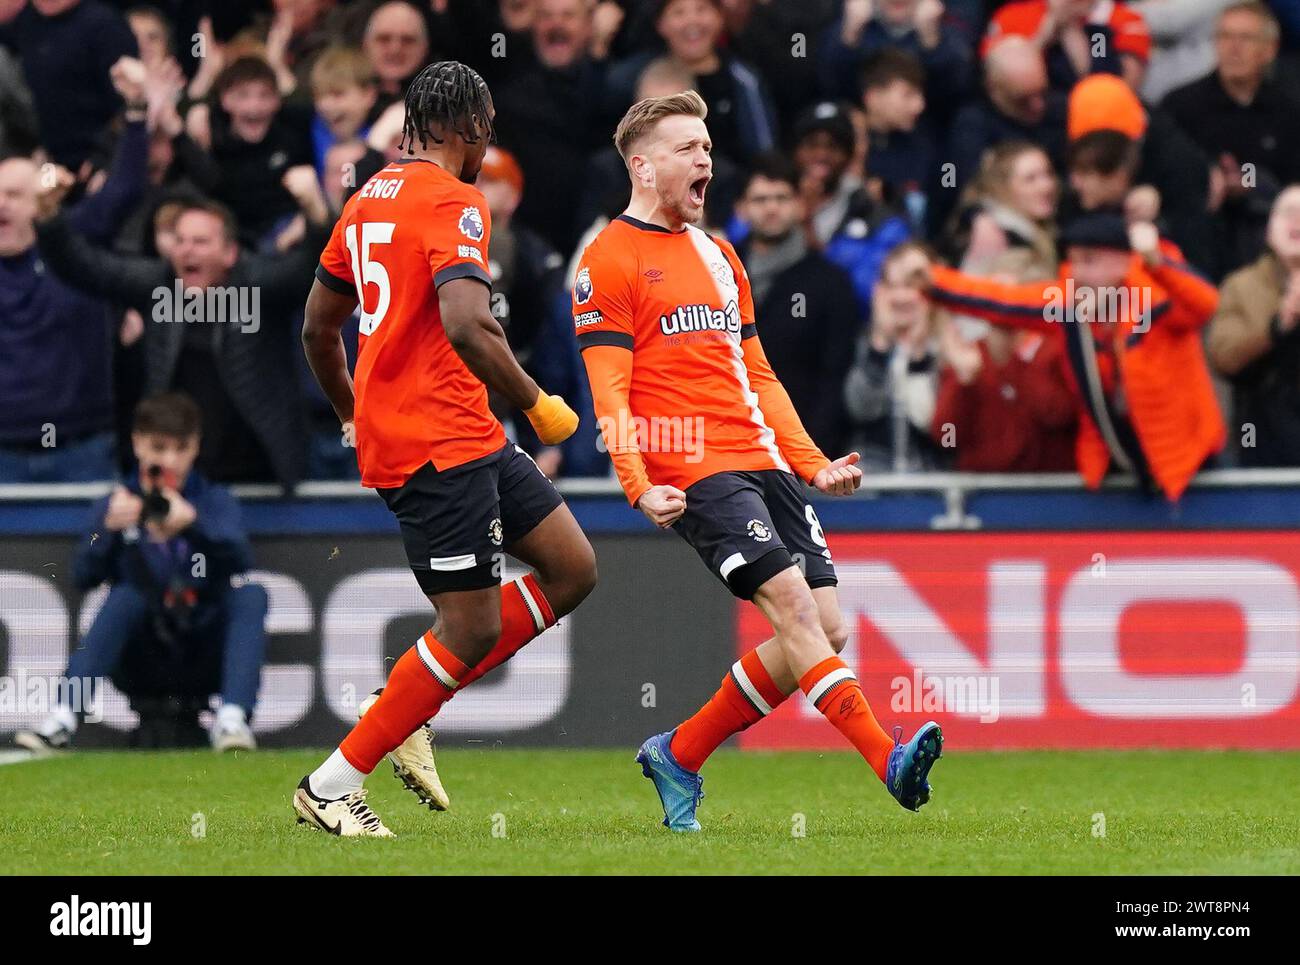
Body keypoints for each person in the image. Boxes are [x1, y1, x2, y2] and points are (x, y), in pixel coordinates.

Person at [573, 90, 943, 833]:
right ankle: (886, 758)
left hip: (762, 457)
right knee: (796, 609)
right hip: (694, 465)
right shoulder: (607, 260)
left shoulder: (719, 253)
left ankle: (678, 751)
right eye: (688, 149)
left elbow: (759, 373)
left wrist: (809, 463)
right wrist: (638, 483)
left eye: (708, 147)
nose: (706, 159)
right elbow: (608, 389)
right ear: (643, 167)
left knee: (827, 627)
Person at [296, 61, 597, 837]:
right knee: (468, 630)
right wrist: (539, 403)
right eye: (487, 126)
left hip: (460, 431)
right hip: (437, 442)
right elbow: (468, 322)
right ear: (468, 127)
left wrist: (352, 415)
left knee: (571, 568)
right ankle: (333, 783)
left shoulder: (366, 198)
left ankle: (400, 699)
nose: (487, 140)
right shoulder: (457, 200)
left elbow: (317, 329)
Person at [15, 393, 268, 753]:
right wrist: (108, 531)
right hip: (142, 657)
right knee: (125, 594)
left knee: (252, 594)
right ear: (138, 444)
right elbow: (82, 575)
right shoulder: (115, 504)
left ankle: (231, 721)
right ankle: (62, 718)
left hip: (203, 647)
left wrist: (193, 524)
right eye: (159, 448)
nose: (170, 461)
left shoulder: (213, 501)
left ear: (195, 447)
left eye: (181, 449)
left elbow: (242, 559)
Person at [924, 211, 1225, 500]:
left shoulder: (1158, 298)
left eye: (1090, 262)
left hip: (1187, 470)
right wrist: (931, 282)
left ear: (1124, 263)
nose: (1079, 273)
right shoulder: (1069, 306)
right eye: (1074, 261)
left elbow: (1206, 303)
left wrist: (1157, 261)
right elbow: (999, 300)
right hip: (1115, 470)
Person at [735, 154, 860, 456]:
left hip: (802, 455)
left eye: (781, 198)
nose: (772, 208)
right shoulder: (716, 272)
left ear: (800, 205)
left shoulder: (830, 283)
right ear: (743, 209)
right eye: (761, 199)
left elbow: (835, 378)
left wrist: (812, 457)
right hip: (726, 452)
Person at [1162, 1, 1300, 275]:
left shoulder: (1289, 109)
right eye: (1225, 36)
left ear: (1269, 50)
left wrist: (1251, 182)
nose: (1233, 47)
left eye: (1245, 38)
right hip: (1202, 228)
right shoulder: (1181, 106)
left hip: (1270, 226)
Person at [1207, 185, 1300, 465]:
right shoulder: (1241, 285)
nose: (1297, 222)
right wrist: (1279, 325)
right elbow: (1222, 356)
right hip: (1264, 441)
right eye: (1288, 213)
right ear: (1269, 228)